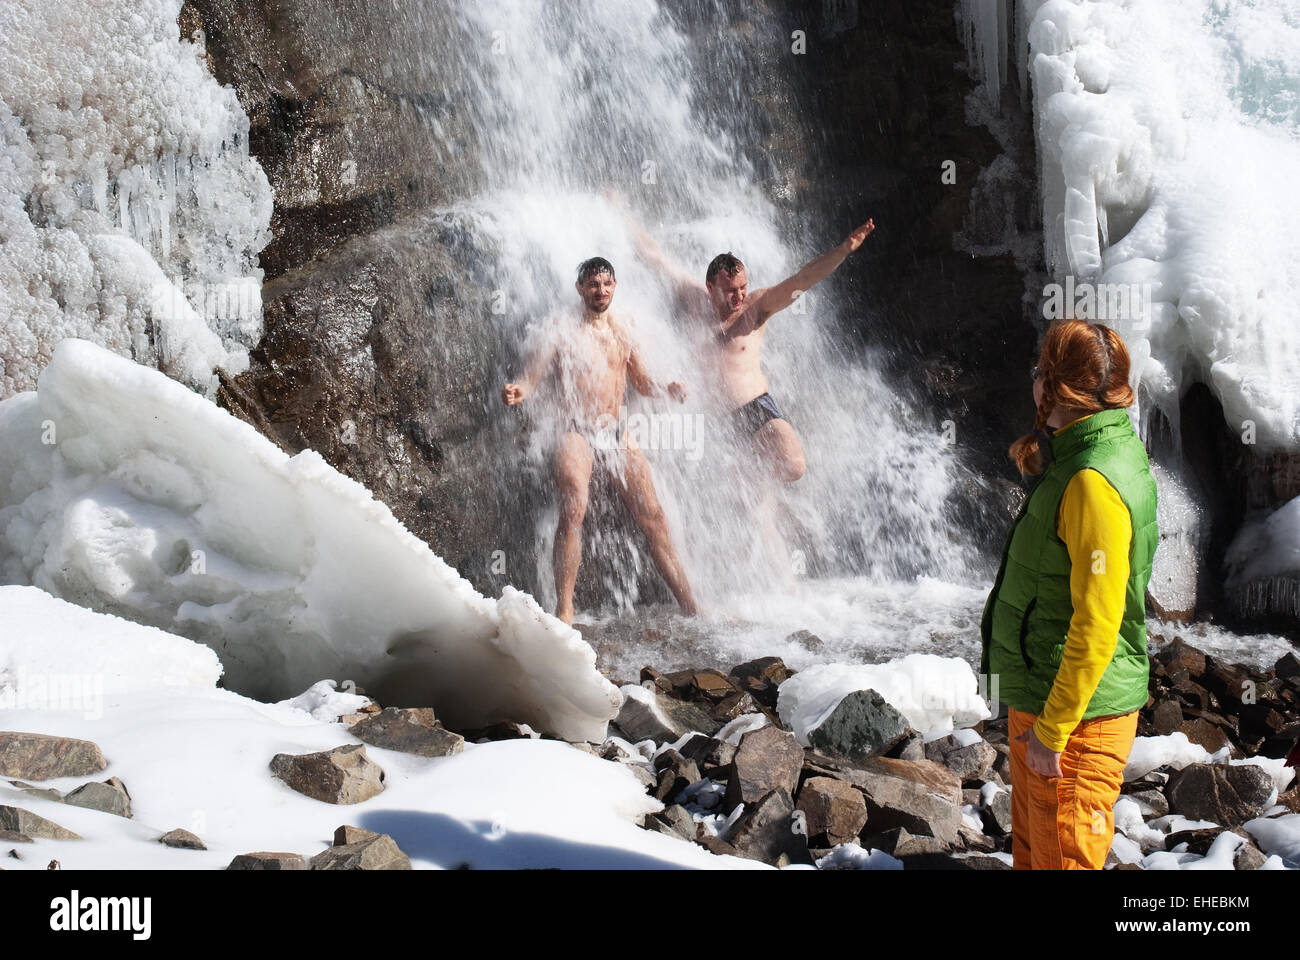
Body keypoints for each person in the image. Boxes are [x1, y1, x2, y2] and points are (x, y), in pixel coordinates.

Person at [980, 319, 1159, 870]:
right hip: (1046, 700)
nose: (1033, 380)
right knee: (1036, 858)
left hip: (1072, 724)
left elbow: (1099, 621)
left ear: (1055, 388)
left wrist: (1053, 733)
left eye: (1041, 370)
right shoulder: (1092, 453)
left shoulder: (1091, 481)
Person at [502, 256, 698, 624]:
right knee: (574, 506)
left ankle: (691, 604)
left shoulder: (623, 331)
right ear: (580, 289)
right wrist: (520, 390)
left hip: (616, 430)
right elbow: (532, 376)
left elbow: (641, 382)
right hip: (574, 429)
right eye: (593, 284)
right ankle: (564, 610)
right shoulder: (561, 329)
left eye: (607, 284)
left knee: (654, 517)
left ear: (615, 287)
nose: (601, 291)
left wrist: (666, 387)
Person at [620, 200, 875, 483]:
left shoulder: (757, 308)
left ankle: (740, 470)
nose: (739, 297)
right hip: (711, 424)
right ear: (710, 287)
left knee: (793, 464)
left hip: (754, 410)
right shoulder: (691, 297)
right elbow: (654, 257)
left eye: (743, 288)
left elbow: (802, 280)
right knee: (758, 517)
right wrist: (619, 211)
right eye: (730, 291)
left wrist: (843, 250)